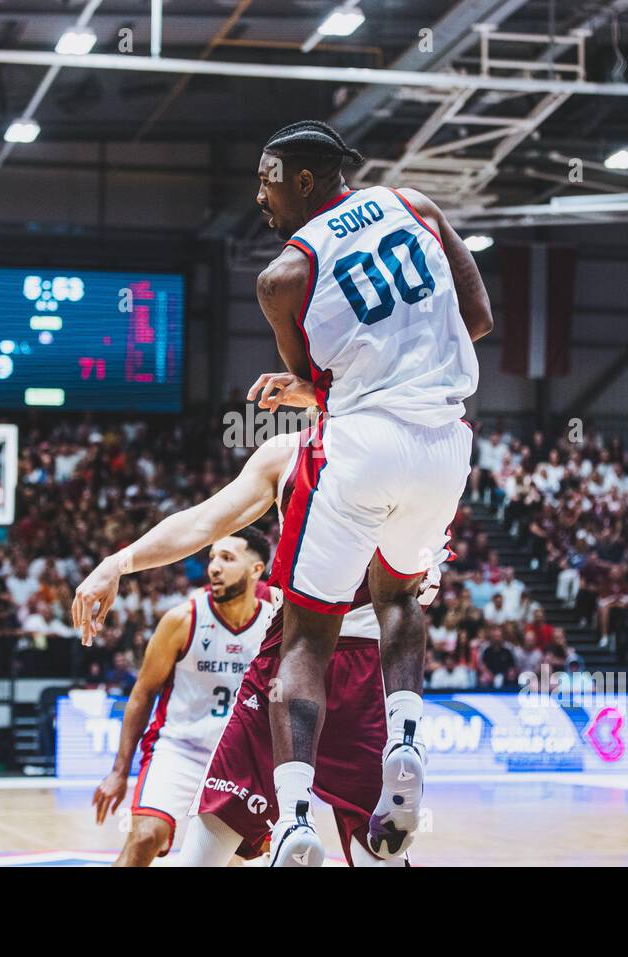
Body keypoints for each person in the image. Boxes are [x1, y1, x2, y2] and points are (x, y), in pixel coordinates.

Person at [243, 119, 493, 862]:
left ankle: (292, 818)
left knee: (306, 634)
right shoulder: (417, 205)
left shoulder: (281, 277)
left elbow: (322, 385)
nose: (260, 194)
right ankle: (407, 743)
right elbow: (475, 319)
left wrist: (327, 382)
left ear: (307, 183)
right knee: (399, 598)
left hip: (360, 444)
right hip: (446, 442)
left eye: (269, 179)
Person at [74, 429, 430, 867]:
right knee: (379, 856)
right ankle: (398, 744)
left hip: (295, 651)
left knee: (206, 851)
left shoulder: (290, 451)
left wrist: (118, 562)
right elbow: (417, 579)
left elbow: (202, 522)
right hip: (369, 660)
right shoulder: (414, 449)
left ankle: (294, 822)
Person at [86, 529, 273, 866]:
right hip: (180, 750)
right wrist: (118, 771)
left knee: (237, 860)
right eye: (212, 557)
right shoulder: (183, 619)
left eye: (228, 558)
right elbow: (142, 695)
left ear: (256, 569)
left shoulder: (274, 621)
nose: (214, 566)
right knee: (144, 836)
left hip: (239, 760)